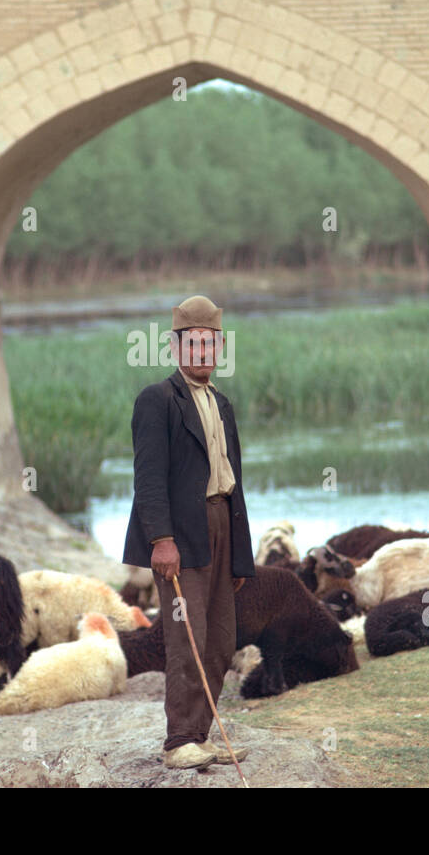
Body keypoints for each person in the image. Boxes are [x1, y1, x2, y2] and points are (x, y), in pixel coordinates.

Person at [122, 294, 256, 770]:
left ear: (219, 347)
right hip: (181, 535)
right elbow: (149, 478)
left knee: (220, 638)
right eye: (193, 344)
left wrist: (240, 554)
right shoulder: (157, 400)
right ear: (176, 347)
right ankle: (178, 741)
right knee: (188, 637)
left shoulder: (222, 404)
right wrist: (161, 539)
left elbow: (233, 483)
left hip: (221, 528)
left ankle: (200, 735)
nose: (202, 353)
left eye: (210, 344)